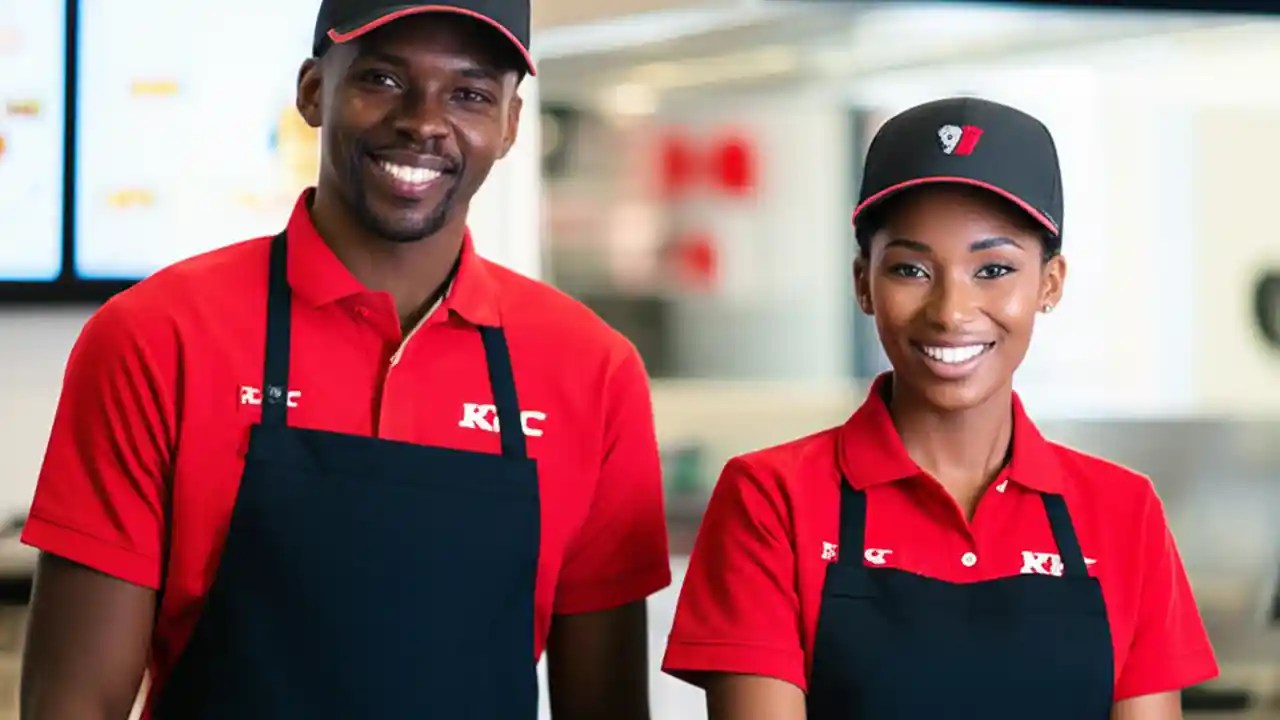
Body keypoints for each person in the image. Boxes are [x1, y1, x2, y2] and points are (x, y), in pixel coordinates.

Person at [19, 1, 671, 718]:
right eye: (384, 79)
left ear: (511, 124)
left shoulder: (591, 370)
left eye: (470, 93)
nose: (424, 121)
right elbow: (74, 701)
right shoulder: (157, 335)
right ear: (312, 92)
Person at [660, 97, 1219, 719]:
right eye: (911, 269)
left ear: (1050, 284)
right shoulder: (771, 500)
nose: (950, 311)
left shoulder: (1122, 513)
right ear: (863, 284)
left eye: (994, 269)